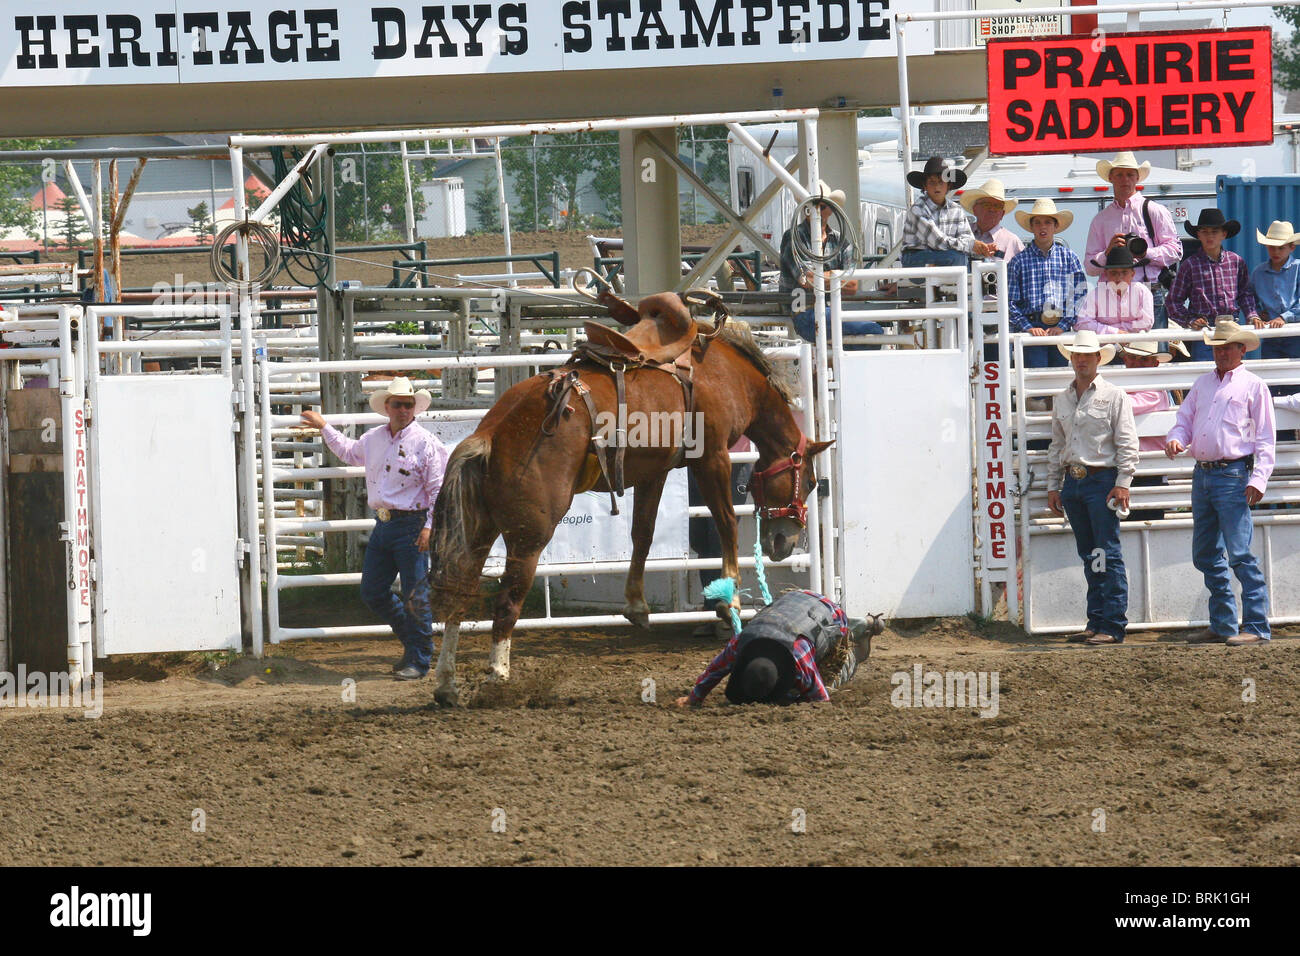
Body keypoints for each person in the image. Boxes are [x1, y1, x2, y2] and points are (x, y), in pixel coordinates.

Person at [301, 377, 451, 679]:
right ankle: (413, 646)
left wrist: (430, 527)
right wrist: (323, 426)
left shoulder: (425, 443)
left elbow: (437, 489)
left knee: (414, 595)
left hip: (412, 523)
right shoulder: (374, 439)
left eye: (408, 405)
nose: (403, 409)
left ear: (414, 408)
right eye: (398, 404)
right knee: (373, 591)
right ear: (388, 406)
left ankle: (419, 660)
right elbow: (348, 451)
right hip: (385, 523)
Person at [1164, 320, 1276, 646]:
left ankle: (1255, 626)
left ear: (1242, 349)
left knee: (1239, 553)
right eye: (1218, 346)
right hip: (1205, 474)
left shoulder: (1254, 386)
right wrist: (1175, 439)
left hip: (1232, 474)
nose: (1222, 351)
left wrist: (1258, 478)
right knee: (1206, 553)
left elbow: (1266, 439)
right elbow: (1183, 421)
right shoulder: (1202, 384)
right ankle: (1225, 624)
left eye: (1228, 346)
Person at [1046, 330, 1139, 646]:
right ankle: (1098, 619)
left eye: (1087, 354)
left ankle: (1111, 623)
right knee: (1092, 553)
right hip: (1075, 481)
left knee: (1105, 552)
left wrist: (1122, 483)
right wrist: (1054, 485)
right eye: (1077, 354)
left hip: (1101, 481)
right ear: (1072, 358)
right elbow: (1057, 444)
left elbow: (1127, 442)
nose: (1082, 359)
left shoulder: (1114, 396)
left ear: (1098, 359)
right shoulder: (1062, 399)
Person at [674, 590, 874, 706]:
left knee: (830, 678)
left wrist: (695, 698)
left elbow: (822, 700)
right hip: (798, 598)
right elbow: (716, 668)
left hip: (832, 616)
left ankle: (856, 649)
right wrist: (695, 697)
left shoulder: (798, 659)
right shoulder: (742, 643)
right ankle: (862, 623)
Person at [779, 180, 884, 351]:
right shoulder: (794, 237)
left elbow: (852, 285)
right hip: (804, 313)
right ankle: (837, 368)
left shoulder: (839, 241)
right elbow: (808, 280)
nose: (817, 211)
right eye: (812, 206)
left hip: (824, 312)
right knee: (873, 331)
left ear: (830, 209)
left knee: (870, 333)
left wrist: (823, 279)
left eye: (822, 206)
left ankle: (831, 367)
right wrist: (837, 276)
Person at [1085, 151, 1183, 329]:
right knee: (1115, 353)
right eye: (1119, 174)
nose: (1125, 180)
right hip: (1111, 296)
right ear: (1111, 178)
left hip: (1150, 290)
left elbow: (1176, 251)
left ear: (1137, 178)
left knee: (1151, 352)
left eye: (1130, 174)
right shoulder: (1100, 220)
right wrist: (1108, 253)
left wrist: (1145, 252)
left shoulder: (1154, 210)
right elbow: (1089, 268)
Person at [1166, 209, 1260, 362]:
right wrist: (1190, 320)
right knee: (1205, 372)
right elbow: (1173, 302)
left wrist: (1252, 315)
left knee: (1233, 373)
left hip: (1231, 326)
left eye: (1214, 231)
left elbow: (1245, 294)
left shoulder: (1236, 261)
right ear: (1198, 235)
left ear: (1224, 234)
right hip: (1204, 329)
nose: (1210, 236)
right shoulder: (1190, 265)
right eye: (1205, 231)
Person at [1007, 198, 1086, 368]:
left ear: (1055, 226)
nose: (1043, 227)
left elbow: (1079, 295)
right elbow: (1010, 301)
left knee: (1059, 379)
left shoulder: (1069, 257)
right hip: (1032, 325)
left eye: (1048, 222)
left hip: (1060, 327)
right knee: (1036, 379)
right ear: (1032, 227)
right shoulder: (1018, 261)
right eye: (1038, 223)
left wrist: (1064, 325)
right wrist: (1027, 327)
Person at [901, 155, 996, 273]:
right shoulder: (918, 209)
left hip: (943, 257)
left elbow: (966, 237)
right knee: (957, 257)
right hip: (915, 259)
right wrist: (972, 245)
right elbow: (937, 241)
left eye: (941, 182)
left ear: (948, 185)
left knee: (980, 261)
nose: (937, 186)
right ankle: (957, 283)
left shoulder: (956, 209)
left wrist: (980, 249)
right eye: (932, 182)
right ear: (925, 186)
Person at [1119, 340, 1178, 521]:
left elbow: (1120, 406)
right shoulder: (1120, 386)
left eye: (1143, 360)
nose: (1136, 363)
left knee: (1146, 518)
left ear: (1155, 363)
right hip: (1128, 465)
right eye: (1133, 358)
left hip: (1147, 468)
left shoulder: (1154, 391)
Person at [1250, 220, 1300, 370]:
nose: (1276, 252)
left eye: (1280, 248)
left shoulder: (1298, 268)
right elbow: (1249, 297)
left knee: (1294, 379)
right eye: (1272, 248)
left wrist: (1284, 317)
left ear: (1292, 247)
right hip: (1271, 335)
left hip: (1295, 334)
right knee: (1271, 377)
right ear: (1267, 247)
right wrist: (1258, 314)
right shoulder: (1258, 273)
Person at [1075, 245, 1154, 335]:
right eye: (1114, 273)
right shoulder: (1096, 294)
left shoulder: (1142, 292)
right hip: (1105, 347)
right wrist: (1116, 332)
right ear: (1106, 274)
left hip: (1135, 346)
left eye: (1124, 272)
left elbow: (1146, 323)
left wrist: (1110, 330)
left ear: (1132, 274)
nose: (1119, 277)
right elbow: (1081, 323)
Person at [962, 177, 1024, 267]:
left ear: (1002, 214)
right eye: (986, 204)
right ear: (975, 209)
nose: (992, 209)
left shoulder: (1012, 241)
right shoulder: (962, 232)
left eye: (997, 206)